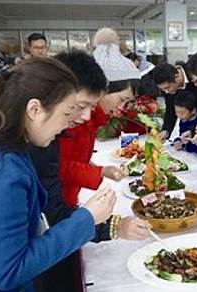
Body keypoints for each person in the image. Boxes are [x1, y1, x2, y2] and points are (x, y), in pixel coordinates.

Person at [0, 57, 116, 292]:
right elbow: (9, 270)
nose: (67, 124)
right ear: (34, 109)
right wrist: (87, 219)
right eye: (67, 113)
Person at [29, 50, 149, 292]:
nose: (83, 117)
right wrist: (109, 224)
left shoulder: (46, 136)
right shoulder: (5, 160)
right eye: (78, 107)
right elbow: (9, 266)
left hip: (62, 212)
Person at [58, 27, 141, 208]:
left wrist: (101, 170)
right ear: (102, 91)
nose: (121, 108)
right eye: (122, 100)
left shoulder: (91, 117)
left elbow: (77, 157)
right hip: (57, 200)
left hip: (69, 196)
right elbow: (58, 166)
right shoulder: (74, 118)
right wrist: (98, 172)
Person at [152, 62, 197, 141]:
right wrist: (166, 131)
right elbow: (170, 109)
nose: (166, 91)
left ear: (177, 76)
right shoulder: (167, 88)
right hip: (186, 127)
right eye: (163, 89)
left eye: (167, 87)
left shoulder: (193, 72)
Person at [172, 90, 197, 160]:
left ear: (193, 111)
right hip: (189, 156)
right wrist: (178, 141)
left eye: (182, 113)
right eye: (176, 113)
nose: (179, 116)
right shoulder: (184, 119)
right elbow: (182, 135)